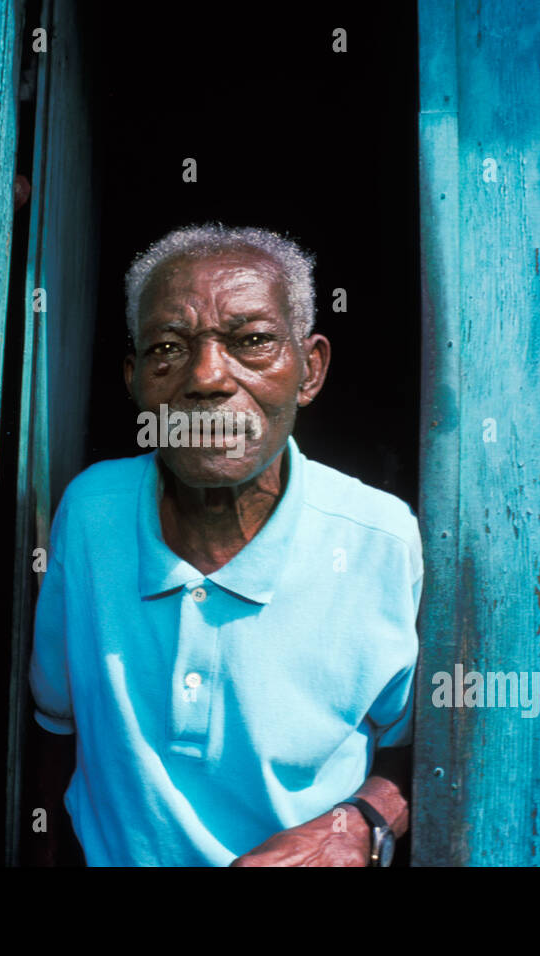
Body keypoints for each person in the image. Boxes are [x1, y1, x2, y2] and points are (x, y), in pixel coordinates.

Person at [27, 223, 423, 866]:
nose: (207, 377)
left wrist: (355, 827)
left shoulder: (379, 539)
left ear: (310, 369)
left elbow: (420, 749)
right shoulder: (91, 512)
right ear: (134, 380)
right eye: (167, 348)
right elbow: (56, 730)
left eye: (253, 342)